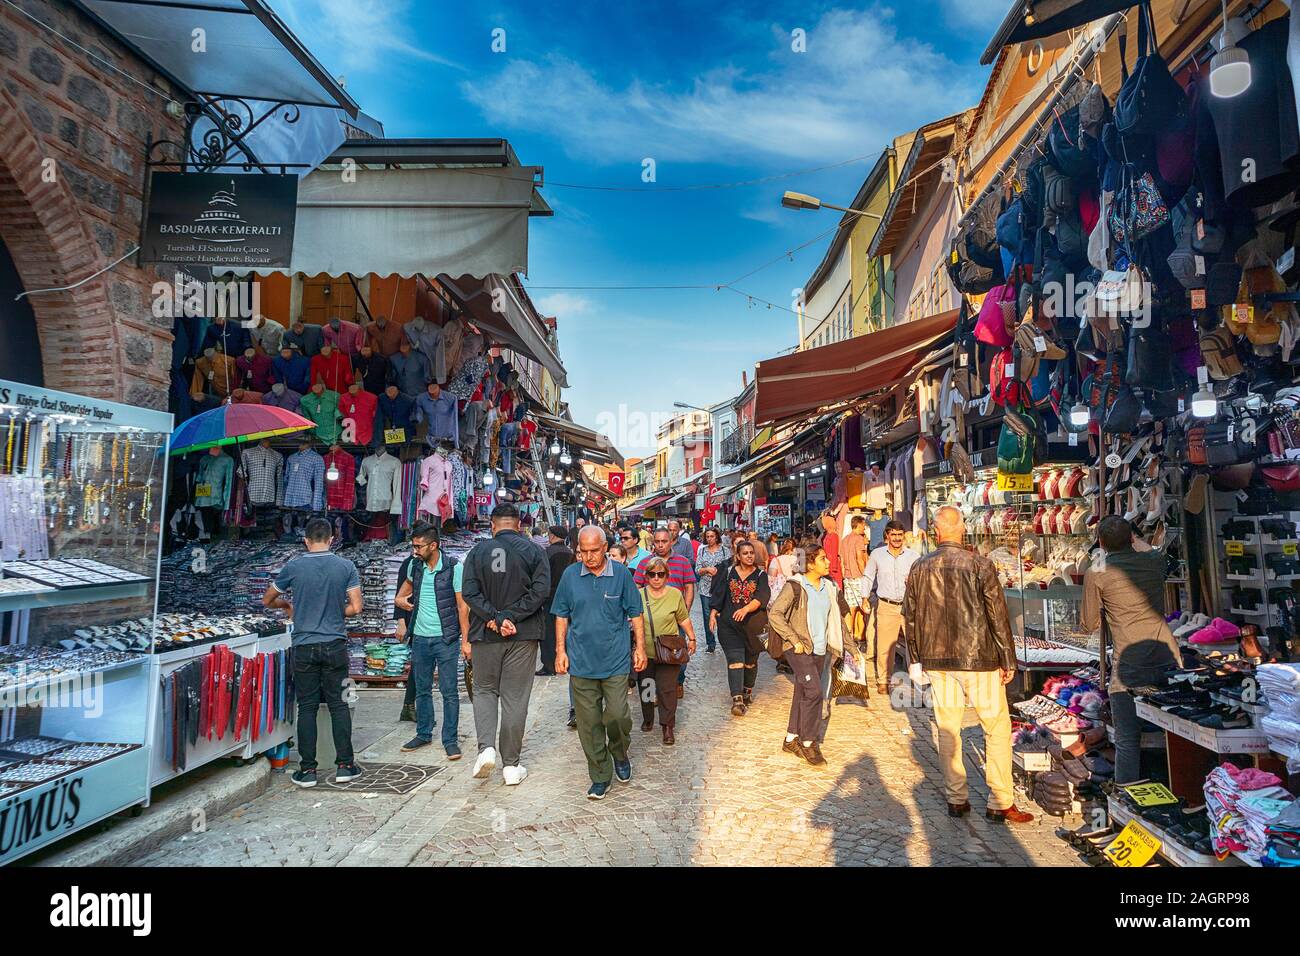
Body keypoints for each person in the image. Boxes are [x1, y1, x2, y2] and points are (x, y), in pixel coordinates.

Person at [903, 505, 1033, 824]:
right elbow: (997, 616)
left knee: (948, 728)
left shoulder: (920, 567)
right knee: (996, 727)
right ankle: (1000, 800)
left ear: (936, 532)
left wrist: (915, 658)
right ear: (961, 530)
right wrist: (1007, 658)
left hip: (937, 659)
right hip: (979, 659)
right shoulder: (980, 564)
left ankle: (956, 797)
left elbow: (910, 617)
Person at [262, 517, 364, 788]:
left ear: (306, 540)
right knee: (339, 704)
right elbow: (356, 607)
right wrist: (333, 610)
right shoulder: (346, 566)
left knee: (306, 706)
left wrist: (289, 607)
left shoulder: (293, 567)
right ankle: (345, 766)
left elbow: (267, 599)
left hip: (304, 646)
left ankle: (307, 770)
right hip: (335, 646)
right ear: (332, 539)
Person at [1082, 516, 1182, 784]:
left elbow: (1089, 622)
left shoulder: (1098, 572)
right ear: (1131, 539)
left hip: (1128, 670)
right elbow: (1151, 550)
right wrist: (1134, 539)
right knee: (1174, 733)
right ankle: (1172, 787)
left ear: (1101, 543)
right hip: (1167, 661)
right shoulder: (1153, 562)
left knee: (1127, 740)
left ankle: (1126, 803)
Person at [552, 526, 646, 800]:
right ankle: (600, 774)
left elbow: (636, 614)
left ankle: (619, 751)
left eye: (594, 551)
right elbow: (561, 615)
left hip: (615, 659)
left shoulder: (621, 575)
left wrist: (639, 648)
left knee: (617, 715)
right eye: (583, 551)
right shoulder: (570, 576)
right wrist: (560, 651)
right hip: (581, 661)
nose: (589, 557)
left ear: (606, 547)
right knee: (588, 722)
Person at [460, 503, 551, 786]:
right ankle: (511, 765)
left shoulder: (477, 552)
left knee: (485, 690)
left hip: (485, 635)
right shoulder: (535, 551)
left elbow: (469, 593)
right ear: (519, 525)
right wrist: (510, 617)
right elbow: (541, 592)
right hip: (522, 635)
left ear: (493, 525)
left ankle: (486, 748)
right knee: (515, 697)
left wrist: (494, 617)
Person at [768, 545, 849, 766]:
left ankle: (791, 737)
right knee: (814, 692)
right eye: (823, 559)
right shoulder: (796, 586)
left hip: (821, 649)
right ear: (810, 564)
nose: (829, 562)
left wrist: (850, 647)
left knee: (802, 691)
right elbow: (775, 614)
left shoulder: (830, 586)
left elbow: (838, 619)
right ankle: (808, 742)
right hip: (799, 648)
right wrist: (794, 640)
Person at [395, 522, 470, 760]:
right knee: (422, 690)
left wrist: (466, 640)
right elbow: (401, 594)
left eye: (419, 546)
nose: (415, 550)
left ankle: (450, 740)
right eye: (413, 546)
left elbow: (462, 606)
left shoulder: (453, 567)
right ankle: (424, 733)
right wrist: (401, 603)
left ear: (433, 545)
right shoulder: (414, 567)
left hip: (445, 638)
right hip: (420, 638)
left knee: (449, 691)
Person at [634, 555, 697, 744]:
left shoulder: (675, 595)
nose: (656, 578)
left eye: (660, 574)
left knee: (667, 689)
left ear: (666, 576)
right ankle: (648, 717)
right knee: (646, 686)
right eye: (652, 574)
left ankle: (668, 727)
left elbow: (683, 618)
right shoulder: (639, 595)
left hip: (669, 651)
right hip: (645, 651)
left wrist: (692, 638)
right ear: (646, 576)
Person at [709, 539, 770, 716]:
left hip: (753, 626)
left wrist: (745, 609)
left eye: (751, 553)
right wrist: (713, 613)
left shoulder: (760, 576)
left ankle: (747, 691)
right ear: (738, 556)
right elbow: (719, 594)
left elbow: (761, 597)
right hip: (729, 626)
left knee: (750, 663)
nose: (749, 556)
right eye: (745, 553)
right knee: (735, 660)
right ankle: (737, 699)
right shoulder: (728, 572)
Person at [860, 519, 921, 696]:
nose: (896, 538)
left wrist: (913, 583)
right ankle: (883, 681)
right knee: (885, 645)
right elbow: (868, 576)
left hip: (909, 605)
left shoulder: (913, 556)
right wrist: (864, 598)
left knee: (914, 644)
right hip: (886, 605)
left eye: (899, 535)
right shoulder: (877, 555)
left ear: (904, 537)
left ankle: (918, 682)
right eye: (893, 535)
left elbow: (921, 579)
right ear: (887, 535)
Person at [633, 528, 697, 696]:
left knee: (678, 654)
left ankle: (677, 681)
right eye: (657, 542)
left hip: (676, 616)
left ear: (671, 542)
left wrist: (685, 610)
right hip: (650, 618)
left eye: (664, 541)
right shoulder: (645, 563)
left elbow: (689, 586)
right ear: (653, 542)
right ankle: (653, 692)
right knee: (652, 654)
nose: (660, 545)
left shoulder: (682, 562)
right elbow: (637, 587)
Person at [538, 525, 574, 676]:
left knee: (548, 632)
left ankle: (549, 665)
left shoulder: (547, 553)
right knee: (567, 630)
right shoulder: (570, 553)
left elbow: (542, 576)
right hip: (568, 596)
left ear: (552, 536)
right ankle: (568, 662)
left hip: (549, 597)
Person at [694, 527, 731, 653]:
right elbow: (697, 569)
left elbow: (730, 568)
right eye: (707, 536)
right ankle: (711, 643)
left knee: (722, 616)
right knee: (706, 616)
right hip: (705, 588)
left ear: (717, 537)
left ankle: (725, 640)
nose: (710, 539)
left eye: (712, 536)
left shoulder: (725, 551)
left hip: (721, 588)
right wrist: (706, 570)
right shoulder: (702, 551)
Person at [840, 515, 869, 640]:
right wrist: (866, 575)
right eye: (863, 525)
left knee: (851, 607)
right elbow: (860, 559)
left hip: (847, 576)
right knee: (864, 607)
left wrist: (843, 575)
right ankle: (861, 636)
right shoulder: (858, 539)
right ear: (859, 525)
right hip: (858, 576)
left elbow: (841, 560)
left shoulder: (844, 540)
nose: (865, 528)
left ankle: (849, 635)